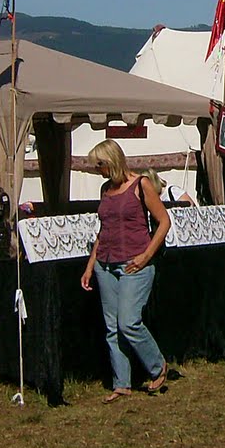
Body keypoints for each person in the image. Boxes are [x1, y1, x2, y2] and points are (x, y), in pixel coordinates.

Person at [81, 139, 172, 403]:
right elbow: (103, 231)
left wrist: (146, 255)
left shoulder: (140, 184)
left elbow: (164, 221)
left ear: (113, 161)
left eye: (101, 165)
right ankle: (121, 383)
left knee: (128, 322)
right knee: (112, 327)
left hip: (134, 262)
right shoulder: (105, 190)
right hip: (105, 263)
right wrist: (90, 266)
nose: (99, 171)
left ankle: (157, 366)